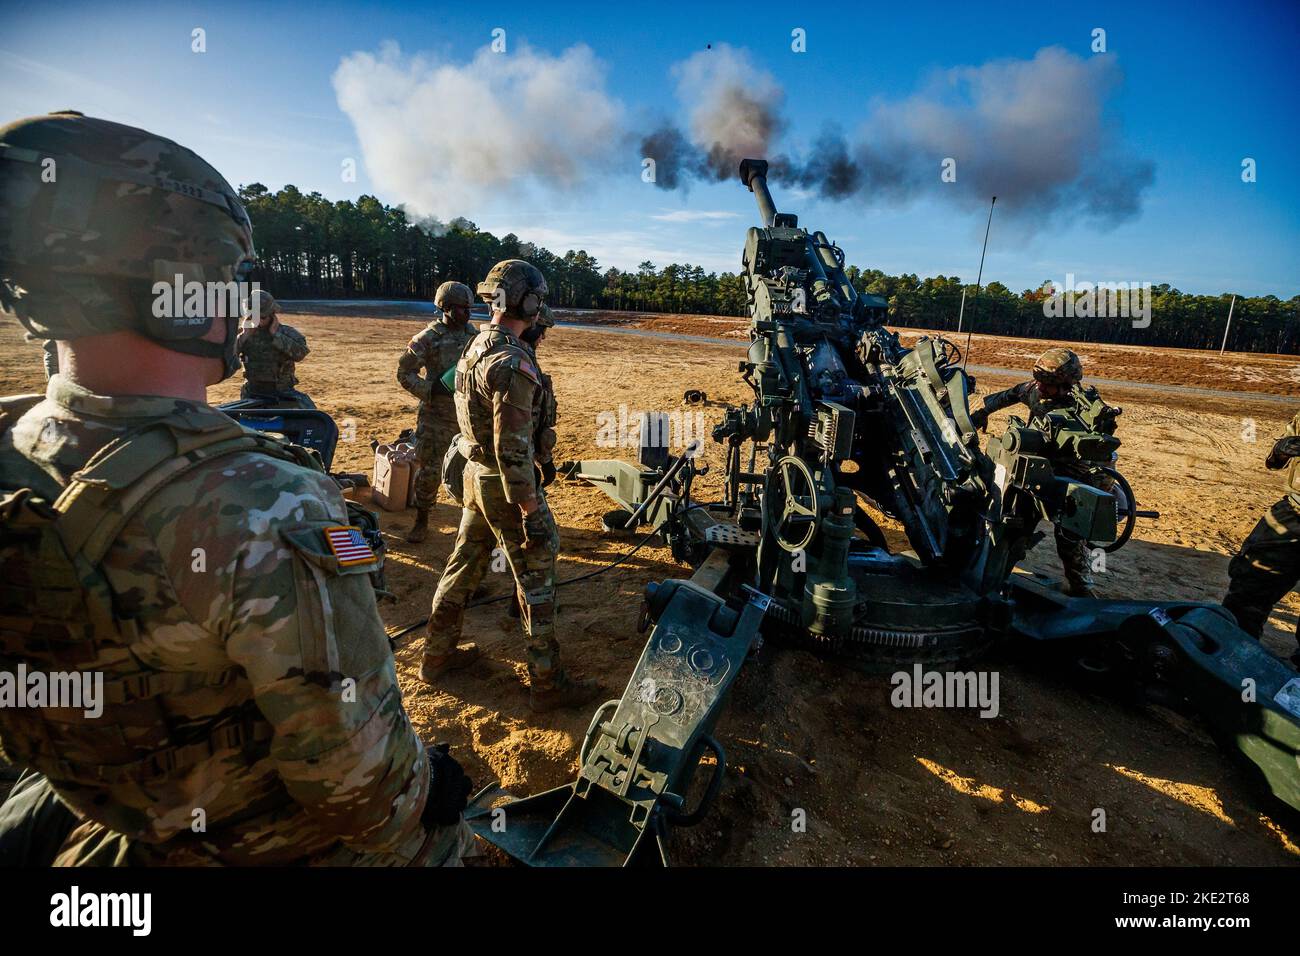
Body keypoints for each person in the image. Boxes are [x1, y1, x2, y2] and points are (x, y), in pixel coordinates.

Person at [0, 111, 473, 866]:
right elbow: (363, 791)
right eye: (231, 279)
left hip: (113, 811)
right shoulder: (264, 502)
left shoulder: (14, 447)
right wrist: (430, 796)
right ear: (182, 287)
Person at [421, 260, 599, 712]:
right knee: (536, 577)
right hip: (504, 484)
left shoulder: (477, 344)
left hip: (475, 478)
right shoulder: (513, 362)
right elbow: (513, 451)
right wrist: (531, 510)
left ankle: (436, 655)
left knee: (464, 563)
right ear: (531, 302)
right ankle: (547, 682)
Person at [972, 347, 1116, 598]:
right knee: (1014, 524)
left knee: (1070, 535)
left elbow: (1101, 460)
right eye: (1038, 379)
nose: (1039, 387)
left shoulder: (1083, 410)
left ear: (1066, 384)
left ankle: (1081, 589)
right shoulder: (1033, 390)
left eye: (1048, 383)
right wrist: (981, 413)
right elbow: (1011, 394)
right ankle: (994, 580)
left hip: (1074, 473)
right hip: (1035, 469)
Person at [396, 280, 477, 542]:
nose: (467, 314)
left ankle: (470, 520)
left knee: (470, 466)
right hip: (436, 417)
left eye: (469, 308)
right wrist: (431, 390)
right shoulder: (428, 338)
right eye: (462, 308)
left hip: (467, 416)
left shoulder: (473, 336)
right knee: (430, 470)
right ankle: (422, 519)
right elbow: (404, 372)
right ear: (445, 307)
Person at [1223, 411, 1300, 668]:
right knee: (1249, 584)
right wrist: (1281, 450)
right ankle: (1233, 662)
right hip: (1294, 512)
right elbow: (1275, 462)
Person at [235, 289, 315, 408]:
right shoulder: (243, 334)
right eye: (253, 316)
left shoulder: (287, 333)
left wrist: (276, 335)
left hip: (283, 392)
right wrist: (243, 337)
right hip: (252, 393)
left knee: (311, 414)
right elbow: (225, 358)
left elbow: (300, 354)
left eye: (262, 317)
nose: (258, 320)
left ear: (272, 314)